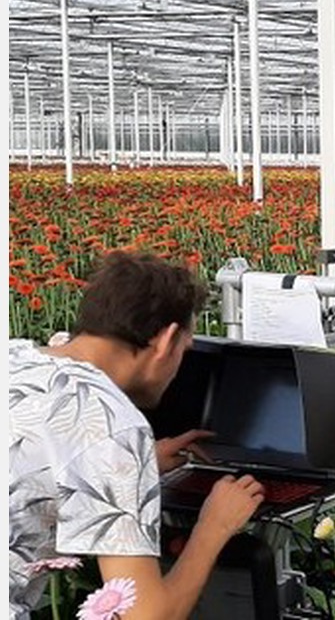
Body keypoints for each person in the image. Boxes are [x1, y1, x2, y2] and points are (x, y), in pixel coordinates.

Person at [9, 251, 265, 620]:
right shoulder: (112, 423)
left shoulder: (17, 356)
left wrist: (141, 466)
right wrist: (215, 526)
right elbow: (146, 616)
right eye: (185, 350)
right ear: (166, 340)